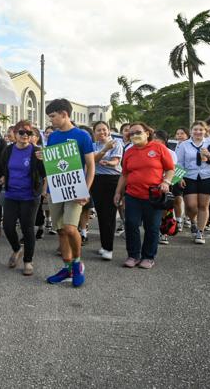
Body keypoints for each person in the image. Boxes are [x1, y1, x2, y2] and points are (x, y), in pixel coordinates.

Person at [41, 99, 95, 287]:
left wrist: (85, 190)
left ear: (64, 114)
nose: (51, 121)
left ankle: (78, 264)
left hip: (75, 189)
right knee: (61, 230)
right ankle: (67, 267)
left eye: (53, 117)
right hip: (56, 189)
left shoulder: (82, 136)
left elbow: (90, 166)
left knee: (71, 228)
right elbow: (54, 164)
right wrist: (43, 158)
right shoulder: (53, 137)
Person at [114, 122, 175, 269]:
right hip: (132, 195)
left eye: (138, 132)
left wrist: (166, 181)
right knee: (131, 225)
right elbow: (124, 174)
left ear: (147, 133)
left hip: (154, 196)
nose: (135, 135)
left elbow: (170, 169)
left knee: (152, 227)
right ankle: (133, 255)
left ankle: (148, 257)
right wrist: (118, 192)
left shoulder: (159, 148)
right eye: (132, 133)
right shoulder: (129, 151)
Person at [0, 120, 46, 276]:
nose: (25, 135)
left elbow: (44, 174)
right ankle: (17, 249)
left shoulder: (37, 151)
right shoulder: (8, 150)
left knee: (27, 228)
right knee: (8, 226)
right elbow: (5, 167)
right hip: (12, 194)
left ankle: (28, 260)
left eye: (29, 133)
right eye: (22, 132)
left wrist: (43, 161)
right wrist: (5, 177)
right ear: (15, 134)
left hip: (30, 196)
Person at [176, 121, 210, 244]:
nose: (198, 132)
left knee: (203, 206)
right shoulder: (184, 145)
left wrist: (209, 155)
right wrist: (179, 178)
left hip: (208, 176)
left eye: (201, 130)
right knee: (191, 205)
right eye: (195, 129)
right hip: (189, 177)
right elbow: (179, 163)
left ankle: (200, 233)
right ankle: (193, 221)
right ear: (191, 131)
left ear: (205, 131)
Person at [91, 121, 123, 260]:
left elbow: (116, 162)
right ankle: (104, 245)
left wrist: (108, 162)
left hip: (112, 180)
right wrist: (104, 150)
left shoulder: (116, 143)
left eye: (104, 130)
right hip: (96, 180)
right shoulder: (92, 145)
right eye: (98, 130)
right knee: (101, 214)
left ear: (109, 131)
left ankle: (109, 249)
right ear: (94, 133)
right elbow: (92, 160)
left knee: (110, 214)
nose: (102, 132)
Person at [152, 130, 178, 245]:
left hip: (166, 184)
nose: (152, 140)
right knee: (153, 209)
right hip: (152, 184)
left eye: (155, 138)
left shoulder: (171, 153)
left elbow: (173, 169)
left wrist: (167, 182)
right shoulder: (149, 150)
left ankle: (164, 232)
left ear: (163, 140)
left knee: (165, 209)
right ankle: (154, 230)